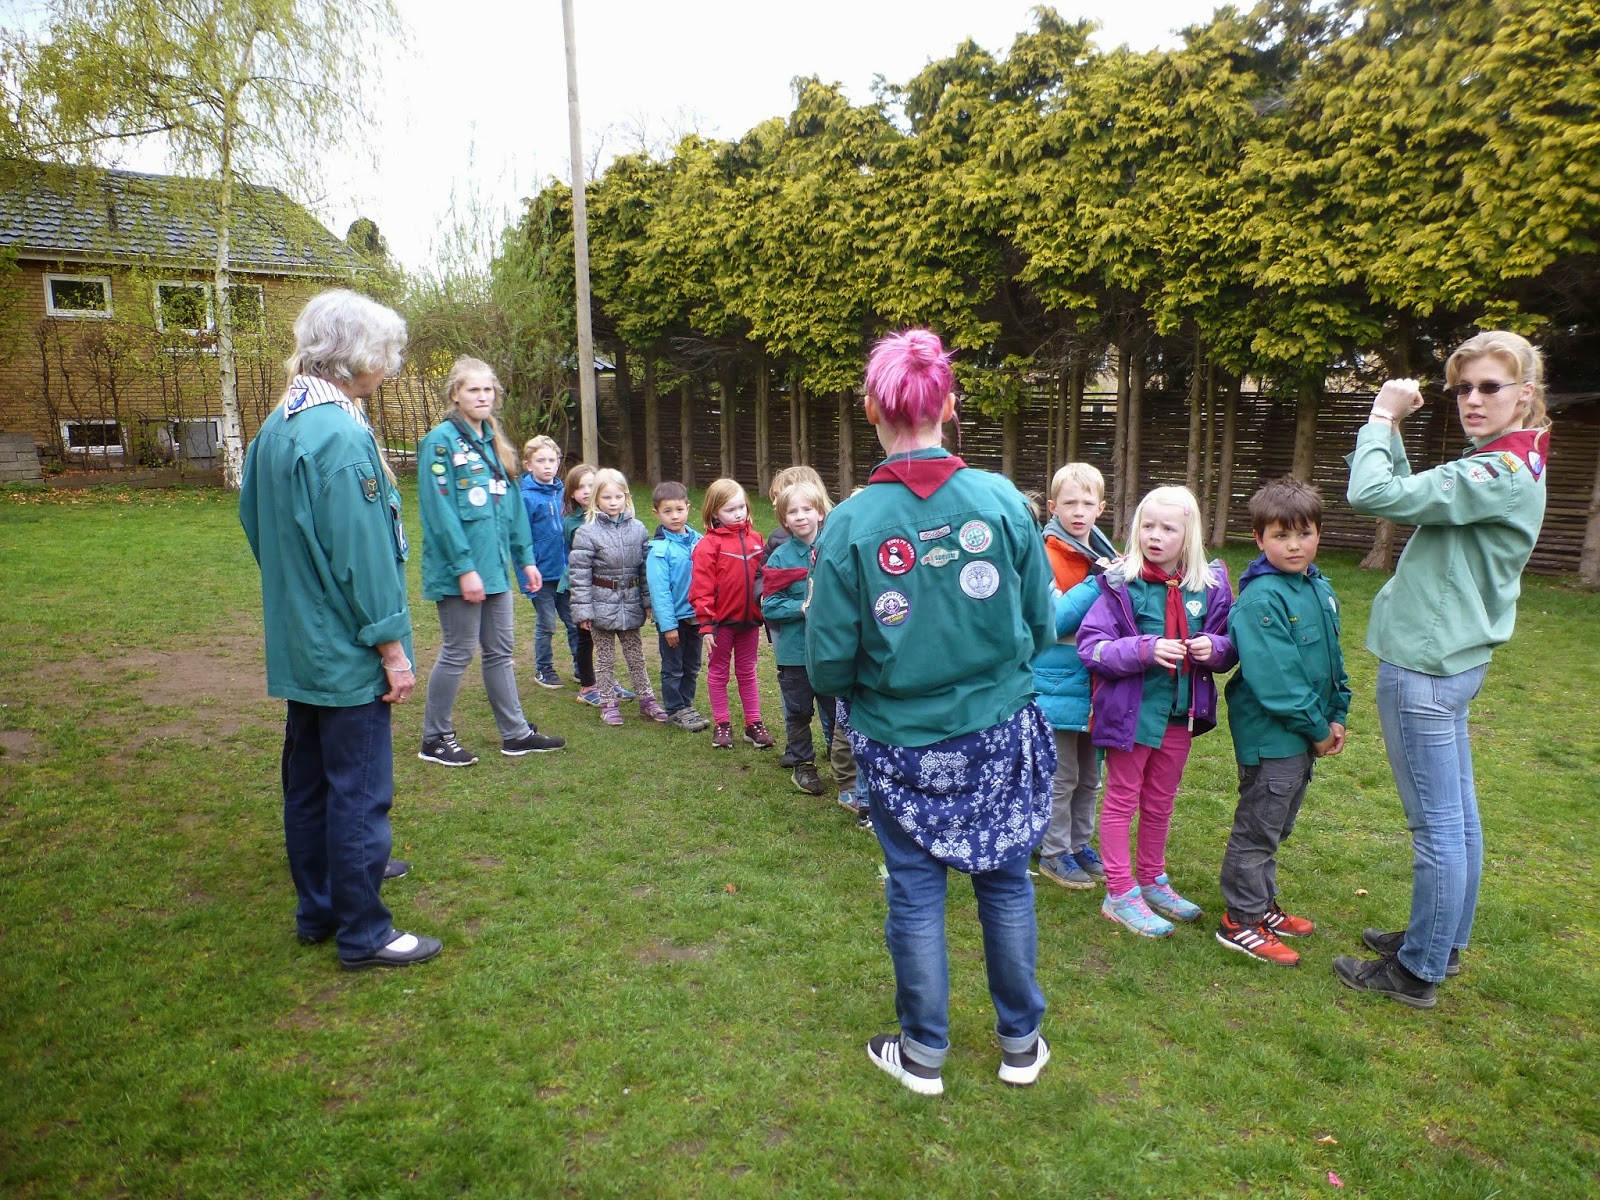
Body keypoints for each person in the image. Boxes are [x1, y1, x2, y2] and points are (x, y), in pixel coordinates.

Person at [807, 328, 1056, 1097]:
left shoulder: (849, 523)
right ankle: (1021, 1044)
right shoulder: (1002, 502)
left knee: (914, 890)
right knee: (1006, 881)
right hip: (997, 729)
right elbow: (1041, 623)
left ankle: (924, 1054)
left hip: (899, 738)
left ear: (872, 410)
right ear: (947, 404)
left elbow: (825, 662)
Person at [1332, 331, 1550, 1009]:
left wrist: (1379, 417)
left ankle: (1417, 971)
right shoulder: (1512, 463)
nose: (1473, 400)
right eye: (1464, 387)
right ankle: (1439, 944)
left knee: (1436, 827)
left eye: (1490, 386)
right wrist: (1393, 430)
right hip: (1453, 660)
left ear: (1527, 395)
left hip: (1426, 666)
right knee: (1458, 818)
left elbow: (1371, 494)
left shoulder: (1492, 473)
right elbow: (1404, 494)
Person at [238, 288, 440, 970]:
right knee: (358, 787)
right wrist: (391, 645)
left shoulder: (278, 425)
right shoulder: (341, 435)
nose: (390, 367)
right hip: (347, 646)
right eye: (387, 354)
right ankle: (364, 932)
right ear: (358, 356)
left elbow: (254, 521)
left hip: (301, 639)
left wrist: (301, 594)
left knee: (311, 782)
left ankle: (319, 909)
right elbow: (364, 555)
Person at [1076, 484, 1237, 939]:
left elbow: (1228, 645)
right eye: (1148, 525)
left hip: (1179, 714)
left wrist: (1216, 648)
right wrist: (1145, 648)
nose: (1156, 535)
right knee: (1122, 798)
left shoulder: (1208, 587)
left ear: (1189, 535)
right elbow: (1093, 648)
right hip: (1130, 715)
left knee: (1161, 801)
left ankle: (1151, 878)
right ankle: (1120, 891)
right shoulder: (1118, 584)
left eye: (1168, 528)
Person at [1217, 477, 1349, 967]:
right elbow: (1278, 683)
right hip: (1274, 738)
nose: (1295, 545)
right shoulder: (1261, 600)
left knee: (1277, 825)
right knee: (1258, 827)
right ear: (1259, 539)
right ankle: (1240, 921)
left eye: (1305, 533)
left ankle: (1261, 903)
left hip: (1305, 734)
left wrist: (1337, 714)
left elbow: (1332, 662)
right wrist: (1317, 729)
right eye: (1280, 535)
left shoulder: (1317, 585)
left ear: (1318, 533)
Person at [416, 358, 565, 767]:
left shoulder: (495, 443)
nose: (482, 397)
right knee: (458, 651)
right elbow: (439, 514)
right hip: (459, 572)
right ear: (455, 395)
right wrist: (465, 569)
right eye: (473, 390)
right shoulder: (440, 443)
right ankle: (435, 737)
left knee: (500, 652)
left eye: (488, 390)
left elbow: (512, 507)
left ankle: (515, 734)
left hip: (496, 570)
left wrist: (527, 560)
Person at [1031, 462, 1118, 890]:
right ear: (1052, 506)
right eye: (1069, 502)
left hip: (1096, 683)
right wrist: (1099, 584)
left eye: (1087, 503)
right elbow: (1052, 622)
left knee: (1089, 775)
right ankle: (1053, 851)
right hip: (1056, 683)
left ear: (1101, 507)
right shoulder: (1046, 556)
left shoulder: (1104, 555)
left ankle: (1079, 844)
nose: (1078, 511)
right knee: (1060, 776)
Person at [568, 468, 669, 726]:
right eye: (607, 498)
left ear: (626, 497)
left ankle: (647, 700)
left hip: (631, 602)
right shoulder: (586, 533)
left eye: (618, 496)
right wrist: (583, 612)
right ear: (596, 500)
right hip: (600, 604)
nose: (613, 503)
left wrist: (647, 602)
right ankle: (608, 702)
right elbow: (579, 575)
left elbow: (645, 570)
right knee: (604, 658)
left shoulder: (638, 529)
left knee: (636, 655)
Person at [760, 478, 835, 795]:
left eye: (808, 509)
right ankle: (803, 765)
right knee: (799, 711)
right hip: (795, 653)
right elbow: (770, 605)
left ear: (820, 513)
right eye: (793, 512)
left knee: (837, 709)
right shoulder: (780, 558)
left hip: (832, 650)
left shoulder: (834, 550)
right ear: (784, 520)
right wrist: (801, 607)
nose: (801, 516)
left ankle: (842, 759)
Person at [689, 479, 774, 750]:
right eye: (730, 509)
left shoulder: (757, 540)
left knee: (747, 671)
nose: (738, 514)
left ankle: (753, 723)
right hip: (720, 625)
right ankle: (722, 723)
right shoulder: (708, 545)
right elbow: (701, 587)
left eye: (741, 507)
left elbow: (765, 579)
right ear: (715, 512)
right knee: (718, 673)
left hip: (749, 622)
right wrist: (706, 623)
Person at [645, 480, 711, 733]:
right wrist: (669, 626)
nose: (675, 516)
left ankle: (687, 704)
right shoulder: (659, 550)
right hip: (674, 620)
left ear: (688, 508)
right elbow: (660, 592)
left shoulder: (699, 541)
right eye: (667, 511)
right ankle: (674, 709)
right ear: (657, 513)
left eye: (679, 509)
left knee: (692, 665)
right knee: (673, 667)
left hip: (696, 617)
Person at [520, 435, 580, 689]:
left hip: (566, 574)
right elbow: (519, 540)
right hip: (540, 576)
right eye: (540, 460)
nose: (547, 465)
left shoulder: (565, 495)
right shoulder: (524, 498)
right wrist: (526, 576)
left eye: (552, 460)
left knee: (575, 623)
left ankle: (582, 668)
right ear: (527, 464)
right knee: (547, 625)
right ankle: (543, 669)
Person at [558, 463, 604, 706]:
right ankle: (587, 686)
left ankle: (605, 681)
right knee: (585, 638)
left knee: (604, 636)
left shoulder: (608, 517)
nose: (586, 491)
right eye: (580, 487)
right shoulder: (574, 524)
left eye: (591, 485)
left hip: (603, 588)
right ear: (572, 494)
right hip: (578, 588)